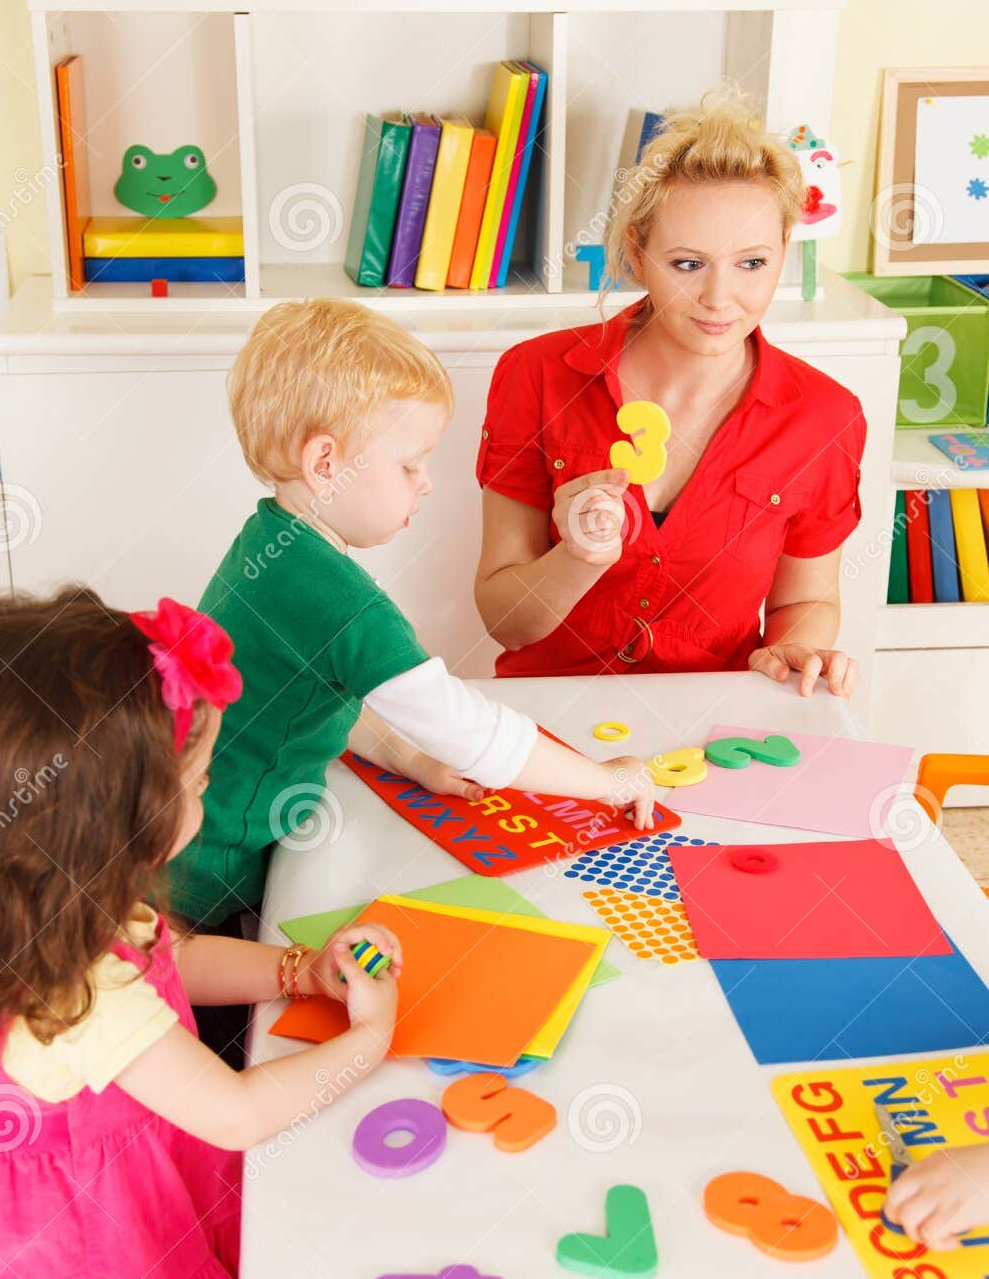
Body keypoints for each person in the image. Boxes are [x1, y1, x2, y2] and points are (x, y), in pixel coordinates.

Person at [0, 588, 400, 1279]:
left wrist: (299, 972)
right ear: (121, 820)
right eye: (200, 782)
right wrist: (370, 1039)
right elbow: (238, 1112)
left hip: (88, 1229)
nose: (208, 796)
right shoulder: (76, 992)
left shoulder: (39, 903)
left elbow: (176, 961)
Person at [168, 296, 656, 938]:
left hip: (194, 850)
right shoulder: (336, 599)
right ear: (325, 465)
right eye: (409, 464)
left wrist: (408, 760)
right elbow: (468, 731)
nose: (426, 482)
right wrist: (606, 783)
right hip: (208, 881)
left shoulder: (269, 545)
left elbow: (321, 695)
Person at [475, 90, 865, 696]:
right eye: (687, 264)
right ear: (638, 255)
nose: (719, 298)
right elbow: (507, 624)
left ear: (784, 251)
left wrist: (794, 650)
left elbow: (806, 599)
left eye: (752, 263)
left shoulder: (825, 416)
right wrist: (577, 556)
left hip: (714, 719)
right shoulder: (537, 374)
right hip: (549, 711)